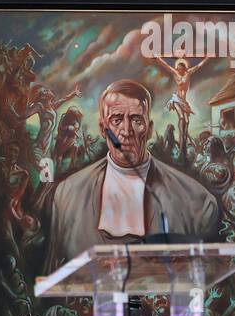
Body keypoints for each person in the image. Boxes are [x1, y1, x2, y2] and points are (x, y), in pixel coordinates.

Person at [44, 79, 221, 272]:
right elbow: (54, 272)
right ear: (104, 129)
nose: (126, 131)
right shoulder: (68, 195)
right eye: (116, 120)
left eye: (136, 120)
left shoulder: (196, 200)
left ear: (149, 128)